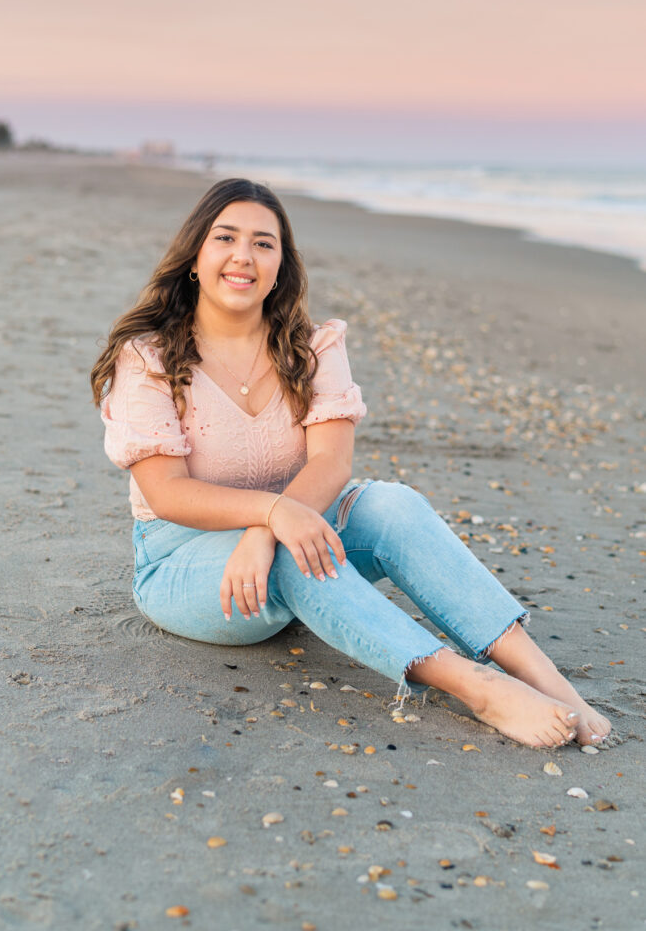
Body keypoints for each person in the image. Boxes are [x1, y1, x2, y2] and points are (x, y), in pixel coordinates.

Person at [90, 178, 611, 750]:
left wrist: (267, 528)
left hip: (291, 534)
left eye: (264, 243)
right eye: (226, 238)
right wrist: (273, 517)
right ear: (195, 256)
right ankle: (474, 686)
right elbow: (166, 493)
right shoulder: (149, 357)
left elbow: (332, 464)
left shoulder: (312, 348)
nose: (244, 256)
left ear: (281, 265)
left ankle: (548, 681)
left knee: (392, 505)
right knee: (293, 546)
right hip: (182, 562)